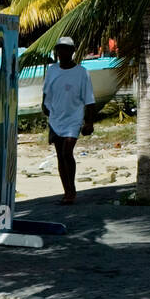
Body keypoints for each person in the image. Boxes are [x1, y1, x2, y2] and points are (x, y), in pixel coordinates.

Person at [42, 36, 98, 205]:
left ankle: (72, 189)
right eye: (59, 49)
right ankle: (66, 190)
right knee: (60, 155)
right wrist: (44, 107)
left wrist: (89, 122)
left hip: (73, 118)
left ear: (72, 51)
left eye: (66, 49)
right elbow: (46, 93)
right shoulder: (51, 70)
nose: (62, 52)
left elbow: (89, 100)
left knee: (67, 152)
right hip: (56, 117)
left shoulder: (81, 72)